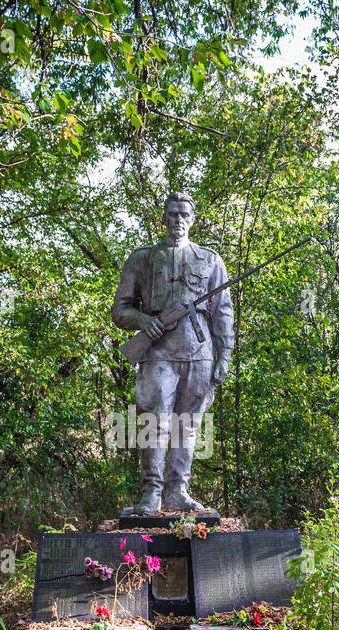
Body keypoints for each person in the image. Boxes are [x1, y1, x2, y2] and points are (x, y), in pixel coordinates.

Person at [111, 192, 233, 514]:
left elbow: (223, 314)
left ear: (192, 219)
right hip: (158, 353)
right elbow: (120, 310)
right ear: (163, 217)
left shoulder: (210, 260)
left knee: (187, 426)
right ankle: (150, 493)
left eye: (184, 214)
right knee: (155, 422)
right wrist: (143, 320)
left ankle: (177, 491)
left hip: (199, 354)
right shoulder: (142, 259)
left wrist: (225, 357)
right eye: (172, 214)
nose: (178, 220)